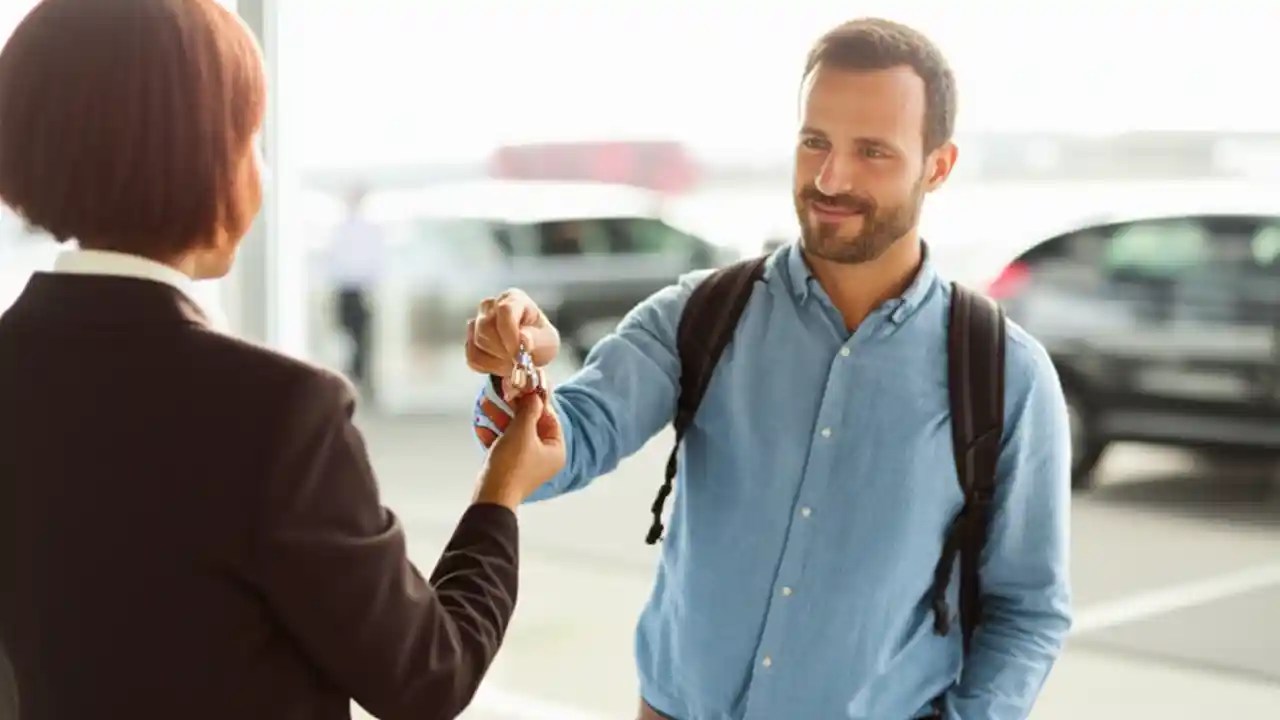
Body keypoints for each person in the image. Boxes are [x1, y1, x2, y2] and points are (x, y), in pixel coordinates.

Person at [468, 17, 1071, 720]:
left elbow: (1028, 608)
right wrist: (517, 373)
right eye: (815, 141)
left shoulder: (1004, 374)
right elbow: (562, 446)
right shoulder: (700, 314)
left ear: (937, 165)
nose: (830, 177)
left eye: (871, 151)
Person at [0, 2, 564, 719]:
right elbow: (428, 678)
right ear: (206, 160)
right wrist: (502, 492)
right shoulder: (278, 412)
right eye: (251, 138)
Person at [326, 186, 385, 393]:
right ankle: (349, 377)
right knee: (347, 337)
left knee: (361, 339)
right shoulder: (343, 229)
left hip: (360, 290)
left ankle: (359, 379)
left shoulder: (367, 229)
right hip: (346, 289)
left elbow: (374, 263)